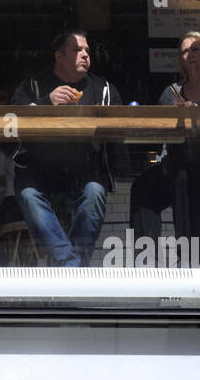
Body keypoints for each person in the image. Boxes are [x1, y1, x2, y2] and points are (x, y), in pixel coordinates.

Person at [128, 31, 200, 259]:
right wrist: (174, 121)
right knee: (143, 187)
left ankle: (196, 263)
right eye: (185, 51)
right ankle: (146, 261)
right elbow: (158, 133)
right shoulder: (171, 93)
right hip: (178, 167)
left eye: (196, 49)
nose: (189, 54)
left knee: (187, 177)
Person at [9, 30, 123, 266]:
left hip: (83, 172)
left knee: (95, 193)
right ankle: (72, 266)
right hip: (39, 171)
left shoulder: (103, 89)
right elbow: (11, 122)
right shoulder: (34, 84)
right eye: (77, 49)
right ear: (59, 56)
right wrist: (45, 103)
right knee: (28, 194)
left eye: (87, 51)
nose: (85, 55)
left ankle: (67, 266)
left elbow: (119, 128)